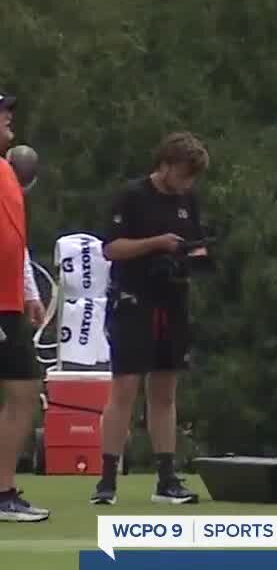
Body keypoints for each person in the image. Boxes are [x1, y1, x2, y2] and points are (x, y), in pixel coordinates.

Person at [90, 132, 213, 505]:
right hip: (133, 299)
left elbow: (194, 239)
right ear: (165, 165)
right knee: (125, 388)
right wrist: (157, 243)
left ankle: (166, 477)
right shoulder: (132, 196)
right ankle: (107, 479)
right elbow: (111, 247)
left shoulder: (187, 199)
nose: (187, 183)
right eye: (183, 174)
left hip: (172, 299)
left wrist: (197, 254)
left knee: (165, 391)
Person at [0, 92, 50, 522]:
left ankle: (3, 491)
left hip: (9, 301)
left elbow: (15, 242)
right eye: (1, 111)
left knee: (22, 389)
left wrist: (29, 292)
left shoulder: (5, 172)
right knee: (20, 389)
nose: (8, 116)